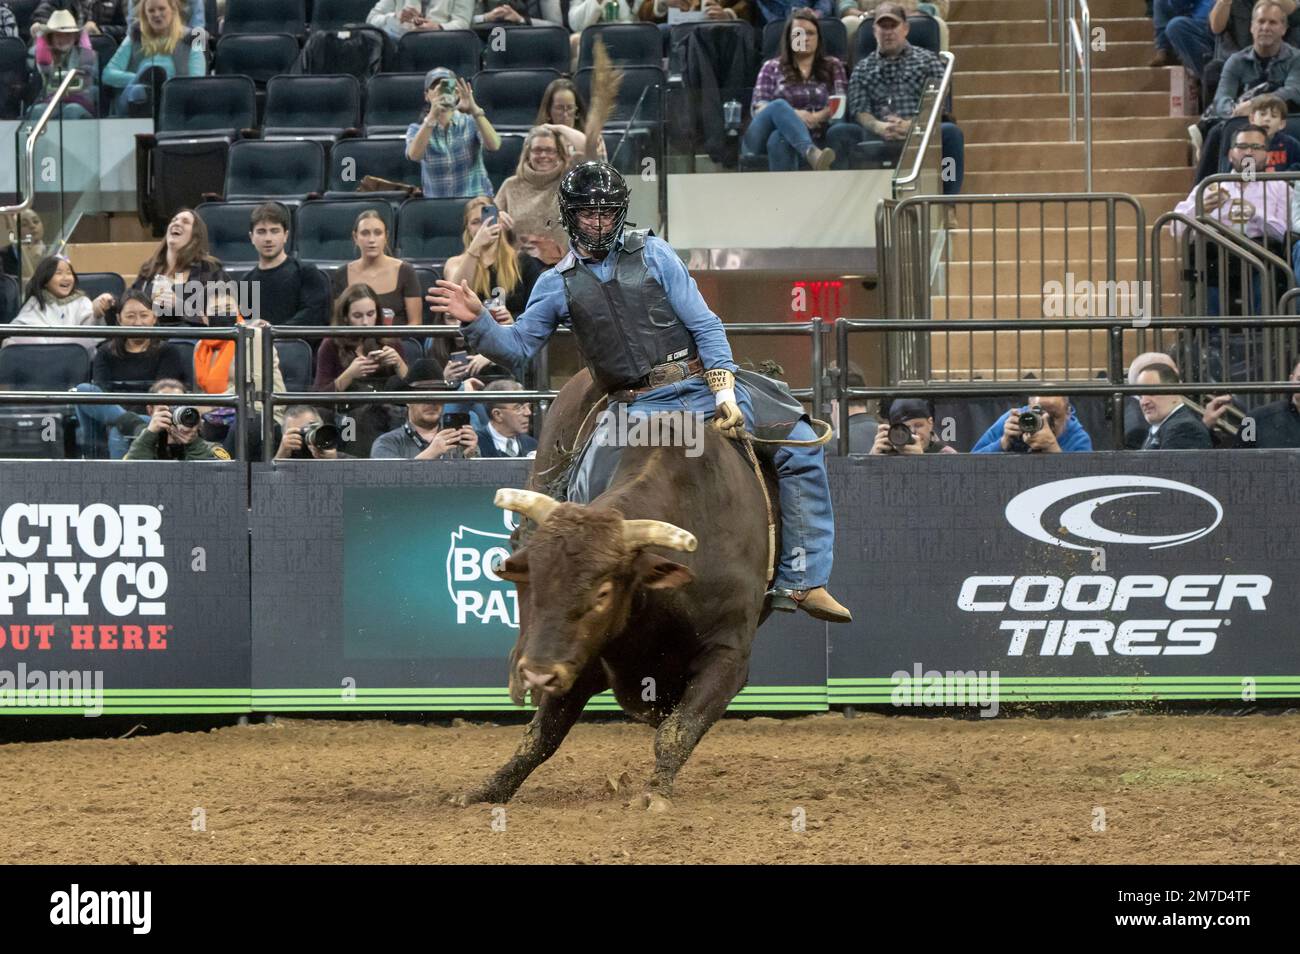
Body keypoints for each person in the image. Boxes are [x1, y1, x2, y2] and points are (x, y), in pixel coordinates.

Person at [428, 160, 851, 622]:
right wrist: (478, 321)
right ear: (571, 216)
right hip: (632, 407)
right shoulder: (554, 284)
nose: (599, 221)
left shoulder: (656, 253)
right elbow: (519, 349)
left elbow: (705, 325)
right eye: (589, 214)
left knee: (802, 444)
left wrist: (725, 391)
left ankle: (803, 580)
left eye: (608, 212)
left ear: (620, 212)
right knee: (581, 491)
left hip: (701, 386)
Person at [829, 2, 964, 192]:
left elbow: (938, 101)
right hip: (877, 132)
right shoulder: (862, 68)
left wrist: (912, 125)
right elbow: (860, 110)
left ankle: (948, 202)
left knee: (950, 133)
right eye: (883, 26)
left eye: (893, 26)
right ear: (874, 30)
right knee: (839, 133)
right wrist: (880, 126)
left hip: (920, 129)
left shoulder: (927, 60)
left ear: (906, 28)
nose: (888, 32)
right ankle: (840, 198)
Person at [74, 288, 189, 458]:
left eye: (144, 315)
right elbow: (101, 394)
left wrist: (124, 420)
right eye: (130, 316)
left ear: (154, 317)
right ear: (119, 319)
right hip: (113, 417)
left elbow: (163, 395)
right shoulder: (105, 352)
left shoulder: (168, 351)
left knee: (118, 431)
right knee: (82, 390)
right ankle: (124, 425)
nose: (138, 322)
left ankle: (116, 479)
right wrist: (125, 418)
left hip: (153, 419)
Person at [314, 283, 408, 457]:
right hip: (348, 414)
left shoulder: (391, 341)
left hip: (389, 413)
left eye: (370, 314)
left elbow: (413, 393)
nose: (365, 322)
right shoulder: (331, 344)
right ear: (345, 317)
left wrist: (399, 363)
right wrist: (349, 374)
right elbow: (319, 398)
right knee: (362, 418)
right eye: (358, 316)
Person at [743, 9, 842, 171]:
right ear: (789, 38)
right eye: (798, 33)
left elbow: (839, 102)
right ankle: (811, 153)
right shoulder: (771, 67)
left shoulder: (833, 66)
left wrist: (815, 117)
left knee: (780, 138)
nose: (805, 38)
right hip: (761, 135)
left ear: (818, 38)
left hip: (812, 133)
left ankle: (787, 192)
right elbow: (759, 107)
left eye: (810, 33)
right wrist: (794, 114)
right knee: (779, 105)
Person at [442, 197, 545, 321]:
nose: (483, 227)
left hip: (512, 335)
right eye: (475, 222)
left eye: (488, 220)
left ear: (499, 223)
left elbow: (537, 310)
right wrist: (476, 246)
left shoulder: (523, 262)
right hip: (472, 334)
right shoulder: (455, 263)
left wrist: (514, 320)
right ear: (467, 228)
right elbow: (457, 296)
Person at [405, 67, 500, 200]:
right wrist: (432, 116)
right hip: (438, 206)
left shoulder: (471, 122)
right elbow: (414, 155)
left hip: (476, 202)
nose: (441, 91)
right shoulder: (416, 129)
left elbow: (495, 145)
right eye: (435, 87)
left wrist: (474, 109)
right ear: (426, 96)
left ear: (456, 93)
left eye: (446, 86)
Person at [102, 0, 204, 117]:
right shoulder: (135, 35)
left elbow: (197, 82)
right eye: (151, 11)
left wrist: (164, 83)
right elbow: (107, 74)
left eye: (161, 9)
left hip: (174, 105)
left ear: (173, 9)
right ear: (145, 14)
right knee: (139, 88)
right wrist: (143, 78)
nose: (156, 14)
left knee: (151, 72)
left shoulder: (195, 36)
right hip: (134, 104)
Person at [130, 207, 230, 323]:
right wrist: (110, 305)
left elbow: (223, 321)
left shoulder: (211, 271)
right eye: (174, 220)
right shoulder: (149, 270)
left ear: (196, 237)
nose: (176, 223)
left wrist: (180, 306)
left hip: (192, 339)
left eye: (185, 222)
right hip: (152, 338)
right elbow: (130, 307)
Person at [494, 126, 575, 266]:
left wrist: (558, 128)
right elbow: (487, 223)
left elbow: (590, 152)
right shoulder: (511, 185)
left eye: (550, 150)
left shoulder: (571, 183)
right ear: (528, 154)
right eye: (537, 150)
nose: (543, 155)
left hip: (563, 267)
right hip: (517, 268)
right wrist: (498, 217)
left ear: (560, 154)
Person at [370, 358, 482, 459]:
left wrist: (473, 455)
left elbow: (482, 480)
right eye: (423, 395)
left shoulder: (459, 440)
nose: (431, 402)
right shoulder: (387, 443)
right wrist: (431, 453)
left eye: (437, 394)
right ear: (408, 400)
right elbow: (388, 479)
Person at [328, 210, 422, 327]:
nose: (372, 240)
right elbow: (338, 323)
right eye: (365, 233)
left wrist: (391, 344)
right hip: (354, 343)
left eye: (378, 233)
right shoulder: (341, 274)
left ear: (386, 236)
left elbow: (415, 323)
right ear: (355, 237)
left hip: (396, 343)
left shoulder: (405, 271)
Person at [5, 255, 111, 356]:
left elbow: (91, 332)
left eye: (69, 273)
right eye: (59, 273)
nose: (66, 277)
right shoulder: (36, 302)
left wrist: (97, 313)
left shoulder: (81, 301)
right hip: (40, 357)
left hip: (74, 358)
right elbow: (20, 328)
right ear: (45, 280)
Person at [244, 202, 331, 327]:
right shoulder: (246, 282)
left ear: (285, 235)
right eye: (261, 232)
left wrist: (272, 332)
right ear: (252, 237)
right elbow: (245, 323)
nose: (268, 238)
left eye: (274, 231)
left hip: (297, 345)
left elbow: (313, 317)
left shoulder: (306, 273)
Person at [124, 377, 230, 460]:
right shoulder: (143, 445)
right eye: (167, 405)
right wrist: (148, 435)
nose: (174, 411)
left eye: (179, 404)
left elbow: (216, 478)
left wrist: (193, 443)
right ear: (150, 410)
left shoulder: (209, 449)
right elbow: (130, 476)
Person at [28, 9, 99, 119]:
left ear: (75, 36)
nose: (63, 39)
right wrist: (41, 36)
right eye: (58, 35)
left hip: (80, 101)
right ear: (51, 37)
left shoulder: (87, 53)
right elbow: (42, 65)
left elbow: (87, 68)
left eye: (67, 35)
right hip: (51, 101)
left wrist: (84, 35)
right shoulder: (43, 53)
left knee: (71, 110)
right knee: (37, 111)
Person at [970, 393, 1093, 453]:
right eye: (1038, 413)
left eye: (1053, 416)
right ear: (1028, 408)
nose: (1044, 421)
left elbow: (1082, 488)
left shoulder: (1078, 439)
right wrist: (1003, 443)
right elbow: (970, 465)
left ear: (1068, 413)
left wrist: (1053, 448)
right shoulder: (1014, 420)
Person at [1134, 365, 1214, 448]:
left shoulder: (1184, 429)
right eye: (1140, 395)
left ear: (1174, 390)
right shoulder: (1162, 428)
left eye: (1152, 392)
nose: (1144, 402)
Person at [869, 396, 956, 454]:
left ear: (930, 423)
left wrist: (921, 461)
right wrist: (873, 459)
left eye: (918, 425)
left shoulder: (945, 454)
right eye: (905, 429)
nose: (913, 433)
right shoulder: (889, 454)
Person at [475, 378, 537, 457]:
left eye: (527, 406)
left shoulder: (532, 445)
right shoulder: (476, 445)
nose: (528, 412)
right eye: (518, 408)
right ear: (497, 415)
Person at [1152, 0, 1216, 73]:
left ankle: (1206, 76)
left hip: (1226, 29)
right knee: (1176, 25)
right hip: (1201, 28)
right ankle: (1164, 50)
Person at [274, 405, 351, 460]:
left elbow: (359, 473)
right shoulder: (282, 454)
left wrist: (335, 461)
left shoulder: (331, 454)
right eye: (298, 433)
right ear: (284, 435)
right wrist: (281, 456)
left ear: (321, 427)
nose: (305, 436)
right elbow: (265, 479)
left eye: (310, 430)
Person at [367, 0, 475, 38]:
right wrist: (395, 16)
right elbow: (371, 20)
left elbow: (463, 22)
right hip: (401, 45)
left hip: (442, 43)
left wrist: (439, 27)